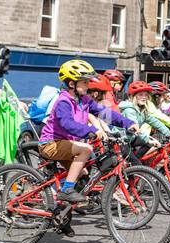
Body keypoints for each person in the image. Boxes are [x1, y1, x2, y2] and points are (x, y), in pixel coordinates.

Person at [39, 59, 137, 208]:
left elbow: (105, 113)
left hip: (67, 144)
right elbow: (67, 123)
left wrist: (128, 124)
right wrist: (91, 131)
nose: (88, 85)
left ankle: (60, 210)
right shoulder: (63, 101)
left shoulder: (84, 100)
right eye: (84, 82)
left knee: (82, 173)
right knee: (86, 150)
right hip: (51, 144)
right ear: (72, 84)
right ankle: (66, 191)